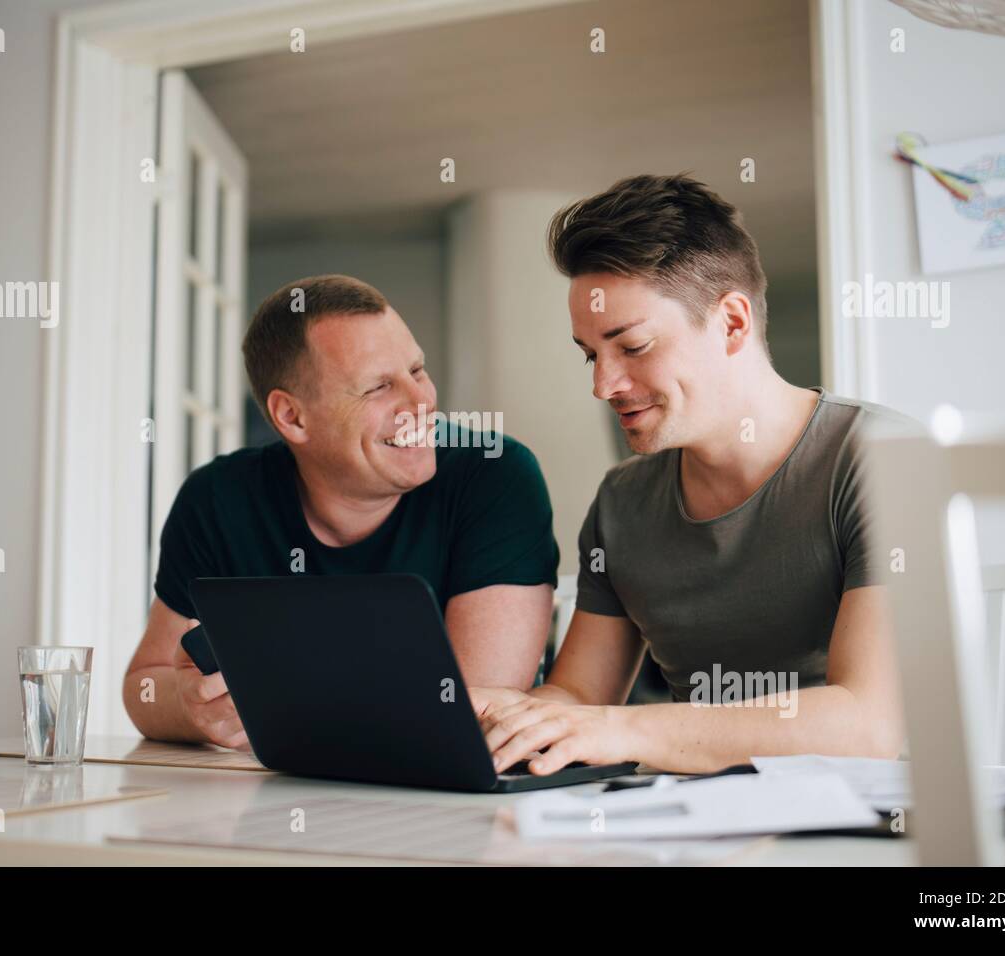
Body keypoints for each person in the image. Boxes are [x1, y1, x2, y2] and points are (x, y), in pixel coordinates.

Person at [472, 174, 908, 775]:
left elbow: (871, 723)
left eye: (634, 346)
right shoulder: (622, 502)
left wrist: (620, 728)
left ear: (732, 323)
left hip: (867, 826)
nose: (603, 385)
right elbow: (579, 699)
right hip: (688, 821)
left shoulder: (882, 457)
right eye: (590, 354)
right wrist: (506, 716)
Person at [125, 274, 559, 749]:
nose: (422, 403)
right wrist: (194, 708)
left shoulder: (495, 476)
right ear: (291, 417)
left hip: (450, 807)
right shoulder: (217, 498)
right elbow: (144, 687)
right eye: (377, 387)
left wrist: (287, 702)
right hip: (273, 798)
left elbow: (472, 711)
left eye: (417, 371)